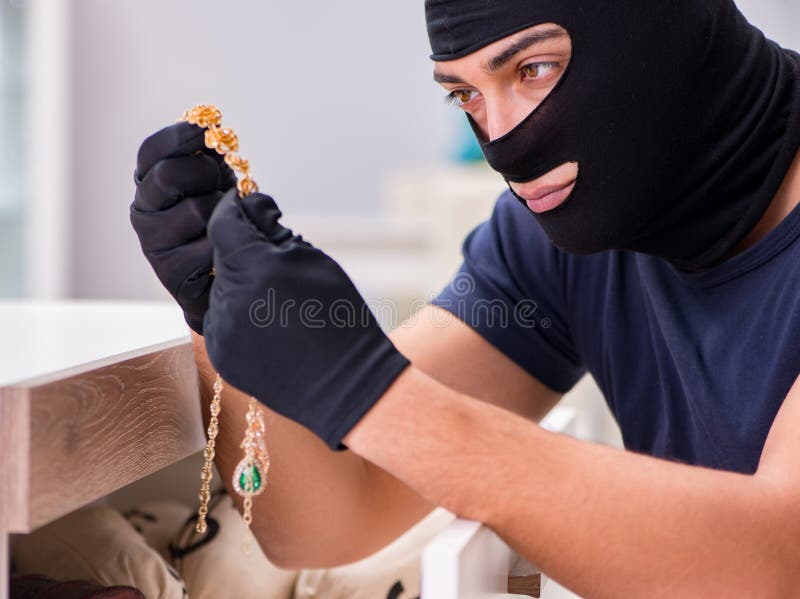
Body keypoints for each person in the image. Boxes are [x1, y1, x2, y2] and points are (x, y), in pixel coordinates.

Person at [130, 0, 800, 596]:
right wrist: (216, 306)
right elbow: (327, 520)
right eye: (465, 94)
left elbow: (776, 562)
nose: (502, 142)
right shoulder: (559, 234)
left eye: (534, 69)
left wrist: (367, 391)